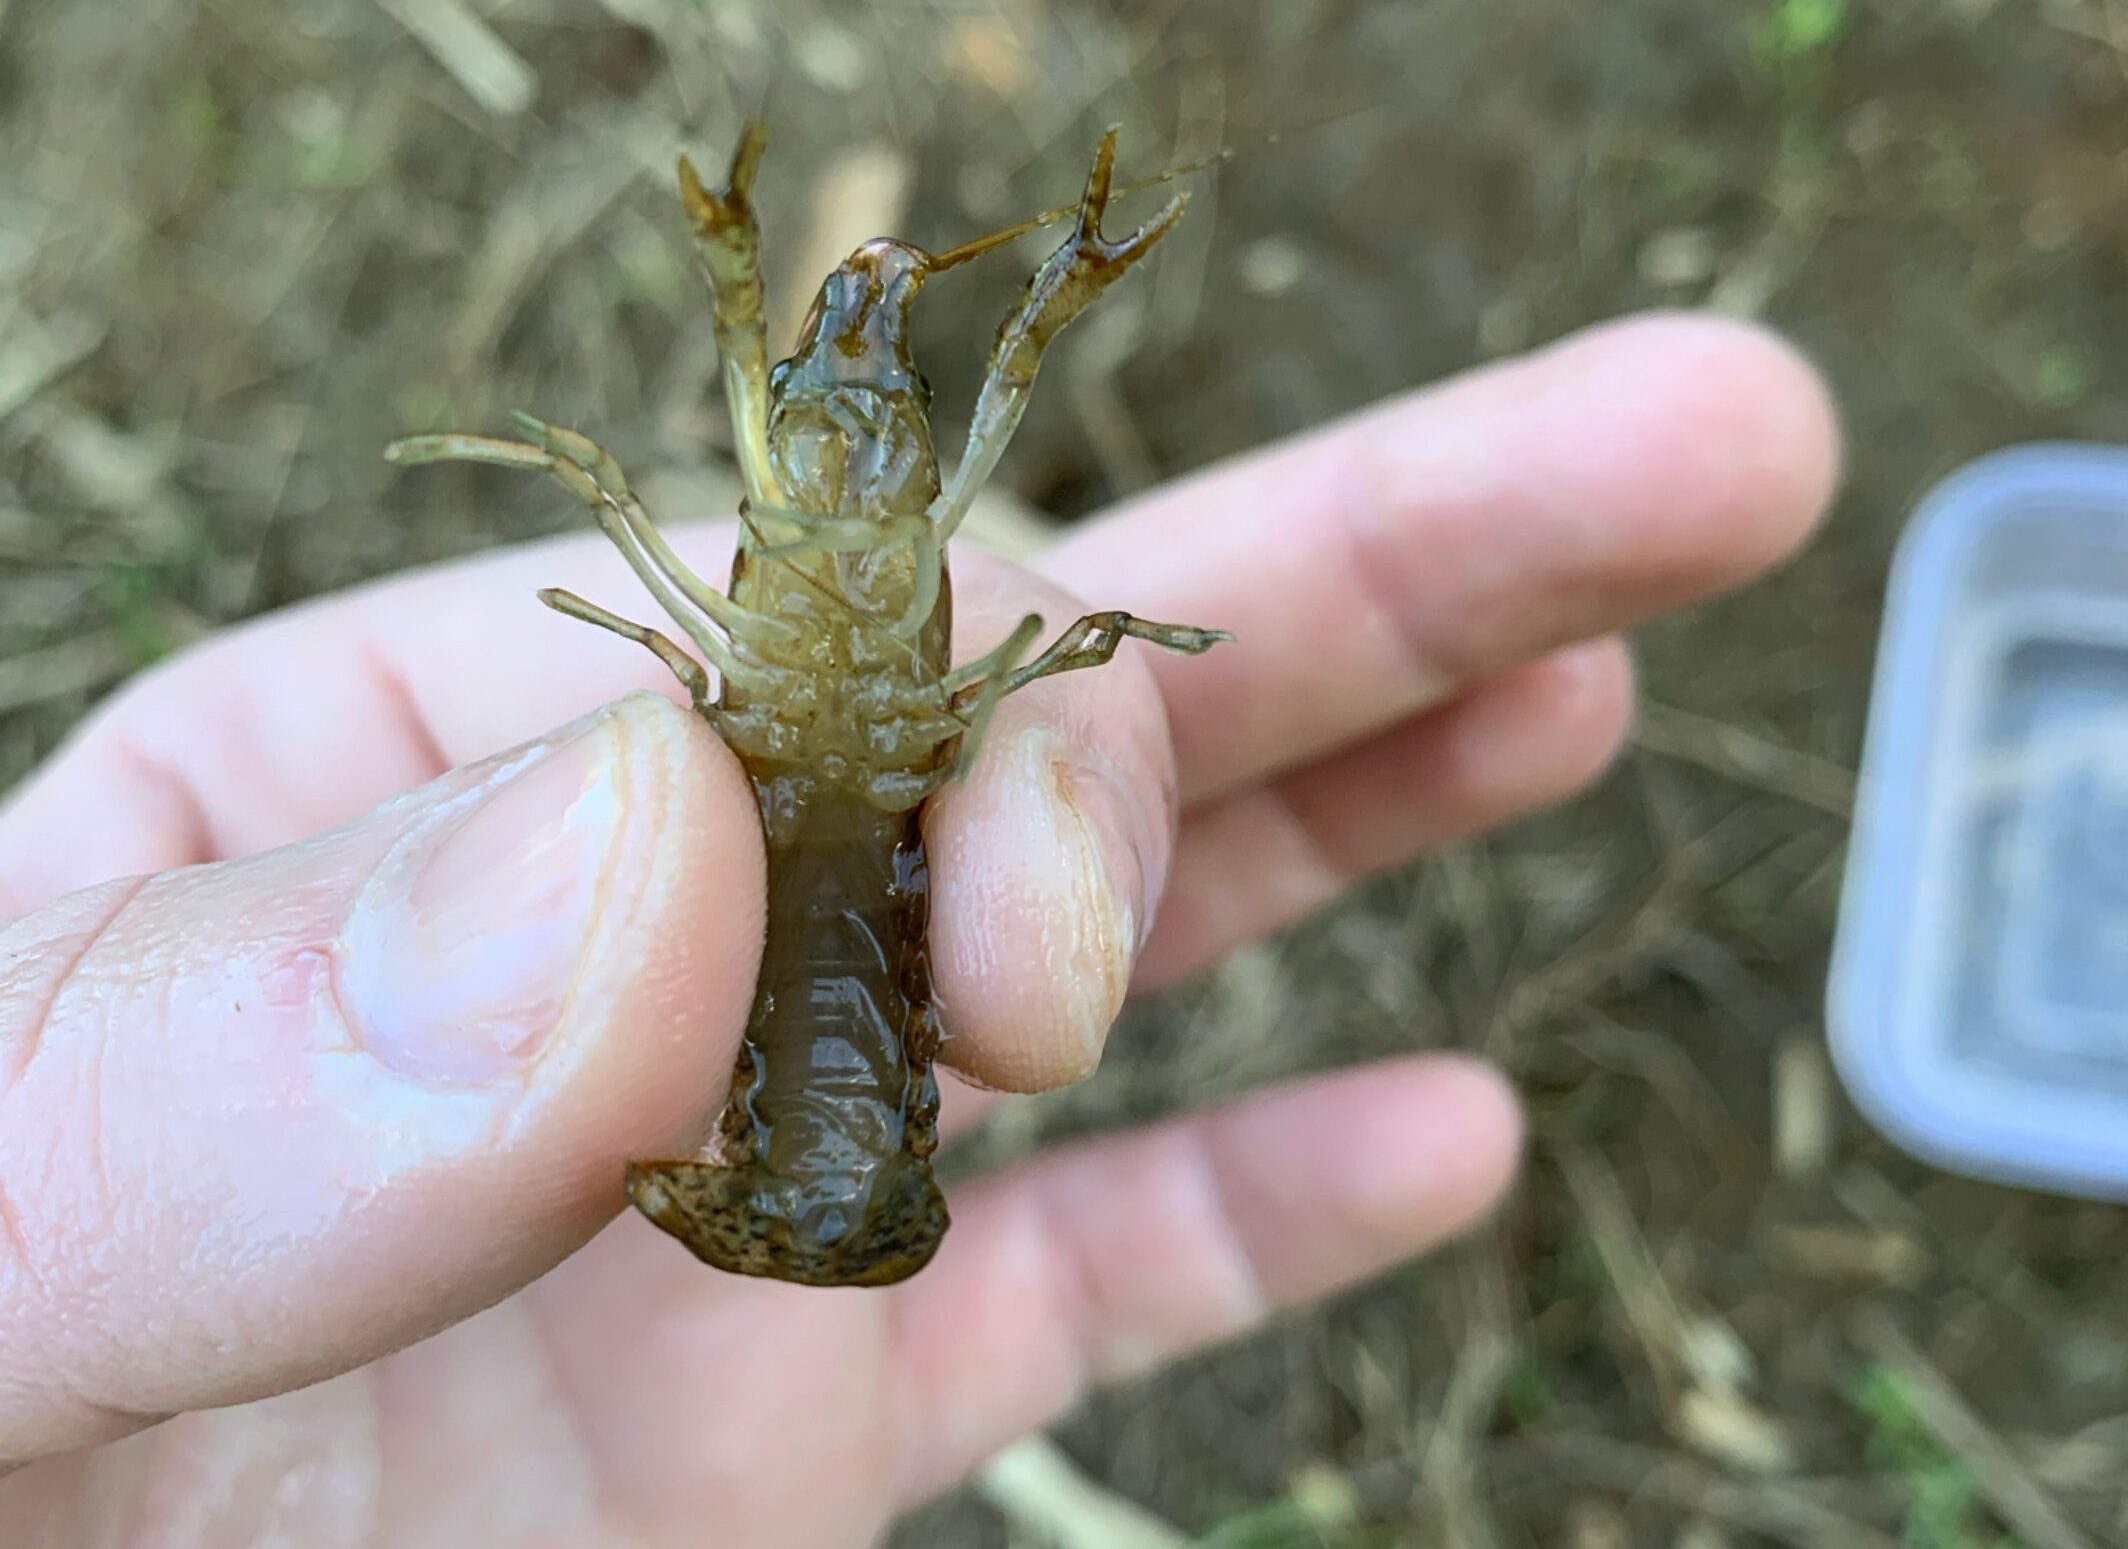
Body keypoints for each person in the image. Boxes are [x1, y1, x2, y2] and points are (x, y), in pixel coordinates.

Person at [0, 313, 1837, 1544]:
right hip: (829, 1040)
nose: (851, 414)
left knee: (1030, 695)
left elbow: (982, 656)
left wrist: (1060, 647)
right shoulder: (835, 577)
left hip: (823, 1058)